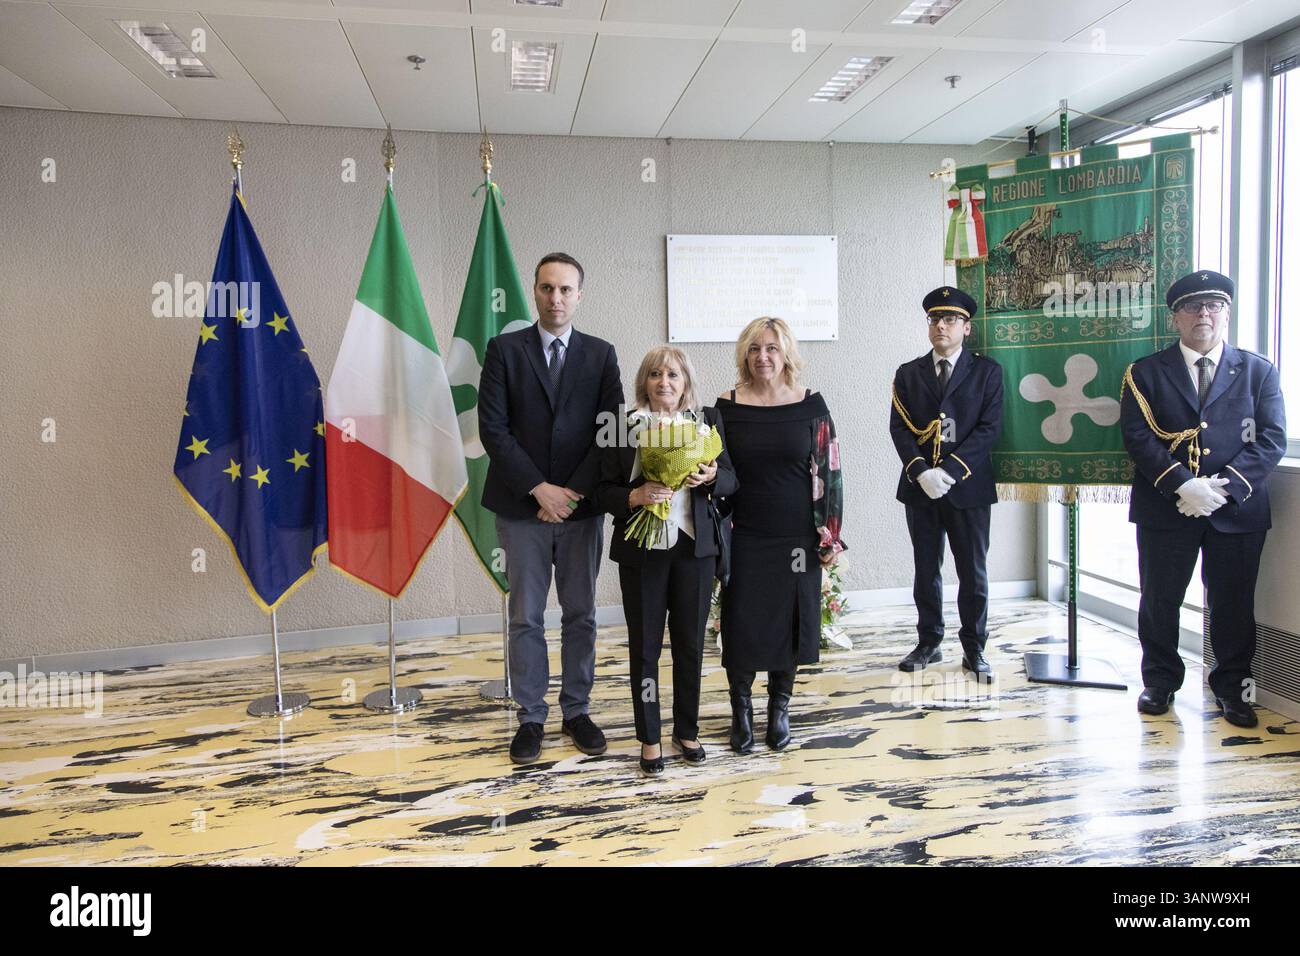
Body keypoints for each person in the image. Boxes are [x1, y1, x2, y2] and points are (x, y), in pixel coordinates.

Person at [1120, 269, 1287, 728]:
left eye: (1214, 306)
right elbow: (1137, 437)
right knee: (1160, 599)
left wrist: (1221, 488)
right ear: (1175, 318)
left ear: (1226, 315)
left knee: (1233, 604)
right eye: (1193, 307)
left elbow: (1271, 440)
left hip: (1237, 512)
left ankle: (1233, 690)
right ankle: (1160, 682)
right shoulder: (1144, 373)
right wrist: (1183, 484)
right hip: (1166, 508)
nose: (1204, 314)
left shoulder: (1259, 370)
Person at [478, 252, 624, 764]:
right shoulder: (503, 350)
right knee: (526, 616)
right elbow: (493, 431)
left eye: (565, 290)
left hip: (581, 511)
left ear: (579, 295)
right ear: (534, 291)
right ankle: (531, 717)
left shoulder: (601, 355)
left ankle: (576, 710)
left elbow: (610, 432)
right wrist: (540, 490)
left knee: (581, 616)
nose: (555, 298)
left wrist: (568, 494)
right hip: (522, 509)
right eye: (546, 289)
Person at [596, 346, 737, 776]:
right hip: (643, 554)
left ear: (685, 382)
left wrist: (712, 477)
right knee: (645, 649)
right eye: (656, 374)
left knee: (691, 647)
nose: (665, 383)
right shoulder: (624, 427)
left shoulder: (707, 422)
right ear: (645, 382)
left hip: (694, 550)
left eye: (673, 375)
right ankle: (650, 737)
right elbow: (600, 489)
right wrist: (633, 496)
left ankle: (686, 730)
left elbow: (733, 479)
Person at [715, 317, 845, 754]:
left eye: (771, 348)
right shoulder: (725, 406)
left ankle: (779, 708)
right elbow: (717, 473)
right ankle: (740, 710)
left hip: (796, 534)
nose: (763, 357)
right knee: (742, 619)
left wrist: (830, 536)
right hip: (744, 531)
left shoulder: (811, 406)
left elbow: (831, 471)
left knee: (789, 620)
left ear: (786, 353)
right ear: (744, 355)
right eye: (754, 348)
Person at [889, 286, 1004, 678]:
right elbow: (900, 429)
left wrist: (949, 471)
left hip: (967, 488)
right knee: (926, 568)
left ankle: (974, 647)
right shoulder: (908, 373)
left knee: (973, 571)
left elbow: (989, 429)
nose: (941, 325)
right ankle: (929, 642)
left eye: (950, 319)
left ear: (966, 328)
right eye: (935, 319)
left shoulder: (987, 372)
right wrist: (922, 471)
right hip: (920, 489)